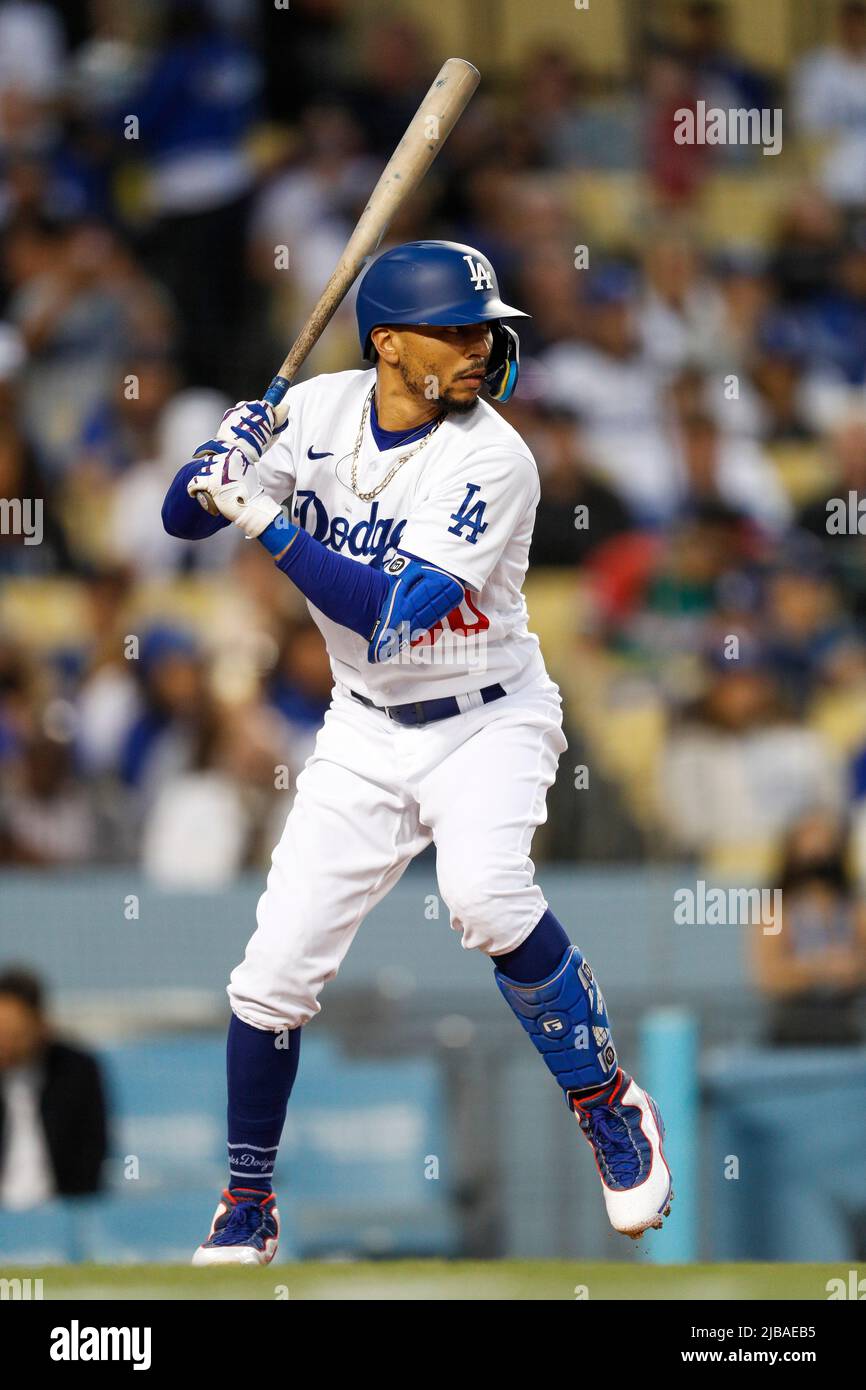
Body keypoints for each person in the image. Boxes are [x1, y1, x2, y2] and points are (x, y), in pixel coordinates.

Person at [162, 240, 672, 1265]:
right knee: (270, 976)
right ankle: (247, 1203)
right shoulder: (309, 412)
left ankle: (607, 1102)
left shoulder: (494, 456)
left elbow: (388, 614)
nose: (481, 347)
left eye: (486, 328)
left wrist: (252, 507)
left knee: (484, 896)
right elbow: (178, 520)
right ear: (388, 343)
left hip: (487, 716)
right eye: (456, 330)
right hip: (364, 726)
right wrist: (214, 457)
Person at [0, 968, 108, 1208]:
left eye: (14, 1032)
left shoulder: (76, 1071)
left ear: (40, 1025)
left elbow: (92, 1151)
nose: (5, 1041)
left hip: (60, 1210)